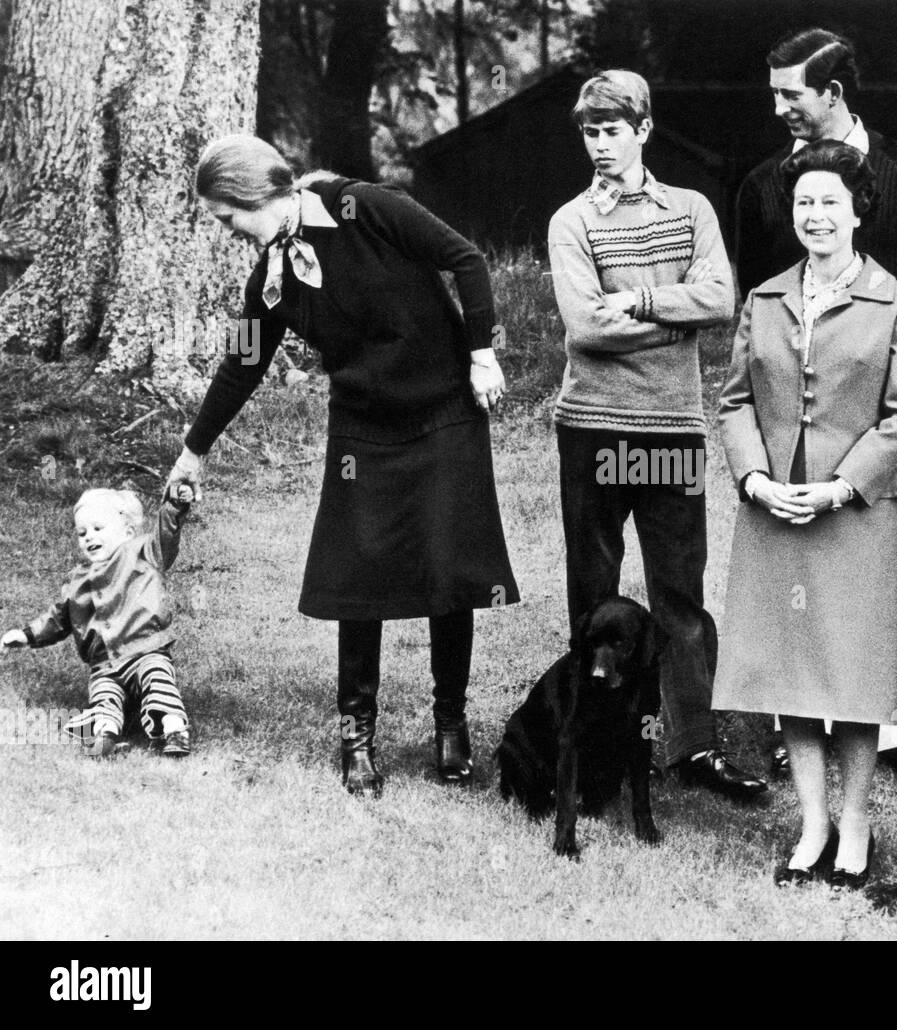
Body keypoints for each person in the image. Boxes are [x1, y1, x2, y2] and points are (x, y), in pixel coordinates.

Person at [169, 134, 519, 798]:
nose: (229, 232)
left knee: (448, 568)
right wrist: (193, 450)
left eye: (227, 218)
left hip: (443, 408)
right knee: (360, 571)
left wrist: (481, 352)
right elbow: (243, 362)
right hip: (364, 423)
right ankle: (355, 737)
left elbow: (464, 258)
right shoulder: (271, 277)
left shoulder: (365, 207)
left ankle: (452, 724)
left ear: (255, 195)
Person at [735, 27, 897, 794]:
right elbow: (755, 302)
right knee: (795, 571)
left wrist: (882, 374)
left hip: (880, 412)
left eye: (792, 94)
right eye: (773, 95)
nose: (780, 107)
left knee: (883, 575)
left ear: (833, 93)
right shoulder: (762, 184)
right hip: (790, 417)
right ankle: (798, 722)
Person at [547, 70, 766, 800]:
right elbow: (585, 326)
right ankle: (593, 745)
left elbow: (720, 298)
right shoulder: (570, 221)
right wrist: (674, 318)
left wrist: (637, 300)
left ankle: (693, 748)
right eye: (590, 131)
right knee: (595, 593)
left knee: (680, 595)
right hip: (593, 428)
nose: (601, 145)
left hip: (673, 428)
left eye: (613, 130)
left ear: (644, 129)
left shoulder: (692, 208)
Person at [716, 140, 897, 888]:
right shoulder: (764, 298)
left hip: (854, 510)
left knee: (855, 670)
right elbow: (735, 400)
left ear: (857, 209)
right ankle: (812, 823)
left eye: (828, 202)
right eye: (803, 203)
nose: (814, 216)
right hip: (775, 507)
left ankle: (858, 823)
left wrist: (842, 486)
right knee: (793, 668)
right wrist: (753, 478)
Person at [2, 485, 195, 757]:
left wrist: (174, 505)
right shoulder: (79, 579)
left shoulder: (144, 553)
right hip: (104, 665)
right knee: (104, 695)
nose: (89, 537)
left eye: (98, 528)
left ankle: (174, 730)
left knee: (158, 681)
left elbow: (166, 534)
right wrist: (26, 635)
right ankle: (106, 734)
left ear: (127, 532)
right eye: (82, 533)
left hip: (145, 650)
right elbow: (58, 617)